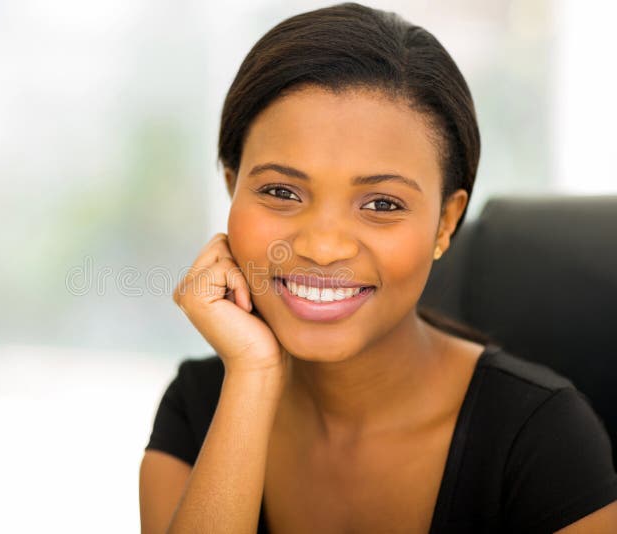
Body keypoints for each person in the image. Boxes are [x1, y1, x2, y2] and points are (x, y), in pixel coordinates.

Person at [138, 3, 617, 532]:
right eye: (281, 191)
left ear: (444, 223)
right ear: (232, 186)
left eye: (382, 204)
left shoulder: (543, 439)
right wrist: (252, 376)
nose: (323, 248)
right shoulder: (200, 406)